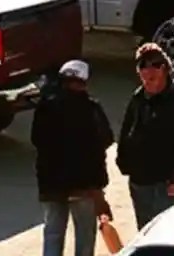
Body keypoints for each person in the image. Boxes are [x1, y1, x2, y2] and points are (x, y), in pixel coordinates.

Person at [32, 60, 114, 256]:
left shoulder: (45, 107)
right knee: (85, 235)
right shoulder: (91, 108)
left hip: (51, 186)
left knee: (53, 233)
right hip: (83, 187)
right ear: (83, 82)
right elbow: (104, 141)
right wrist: (98, 188)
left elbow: (37, 140)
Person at [116, 43, 174, 229]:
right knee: (146, 234)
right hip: (140, 181)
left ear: (164, 69)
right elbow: (126, 131)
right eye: (144, 76)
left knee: (167, 236)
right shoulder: (138, 98)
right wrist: (124, 162)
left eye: (153, 78)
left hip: (167, 184)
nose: (148, 82)